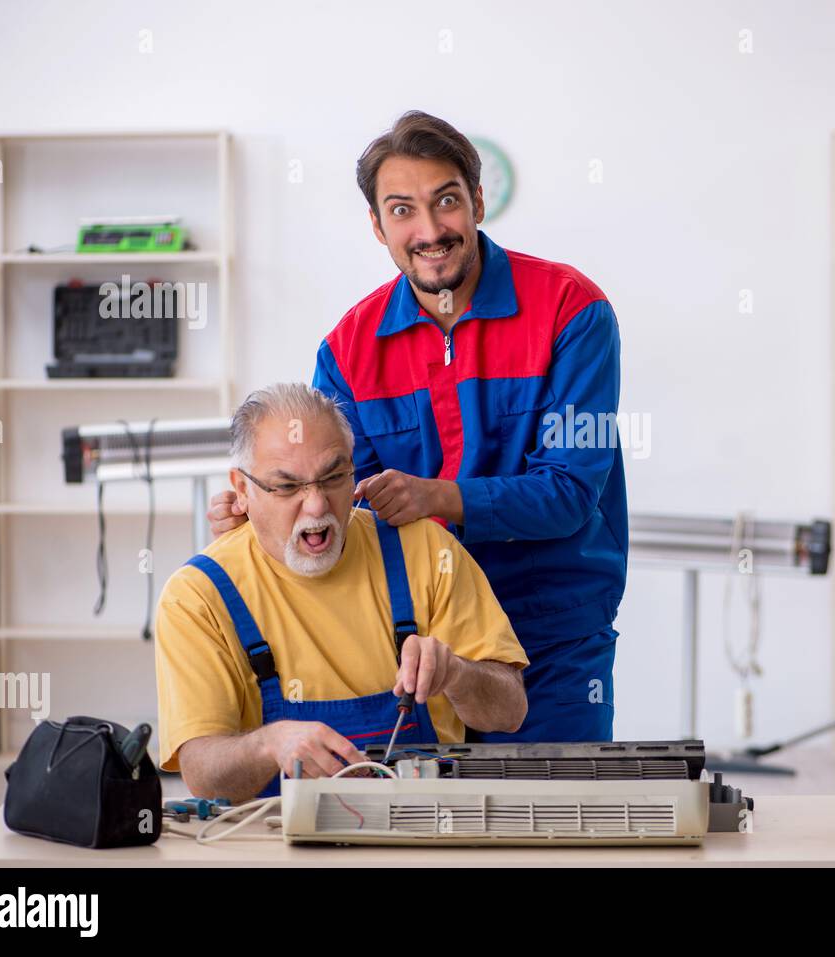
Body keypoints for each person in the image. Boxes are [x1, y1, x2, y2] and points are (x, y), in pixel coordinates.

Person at [209, 111, 627, 743]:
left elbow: (569, 493)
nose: (429, 230)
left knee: (549, 825)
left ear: (479, 202)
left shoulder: (572, 311)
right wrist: (270, 518)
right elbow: (339, 506)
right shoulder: (348, 349)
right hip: (412, 641)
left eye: (447, 202)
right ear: (378, 226)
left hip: (553, 638)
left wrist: (437, 496)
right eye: (403, 210)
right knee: (404, 830)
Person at [157, 383, 528, 802]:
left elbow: (509, 711)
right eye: (287, 487)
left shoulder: (426, 552)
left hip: (422, 834)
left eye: (333, 478)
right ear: (241, 490)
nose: (316, 506)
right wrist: (270, 744)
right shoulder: (198, 595)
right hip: (268, 846)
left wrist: (458, 673)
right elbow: (202, 773)